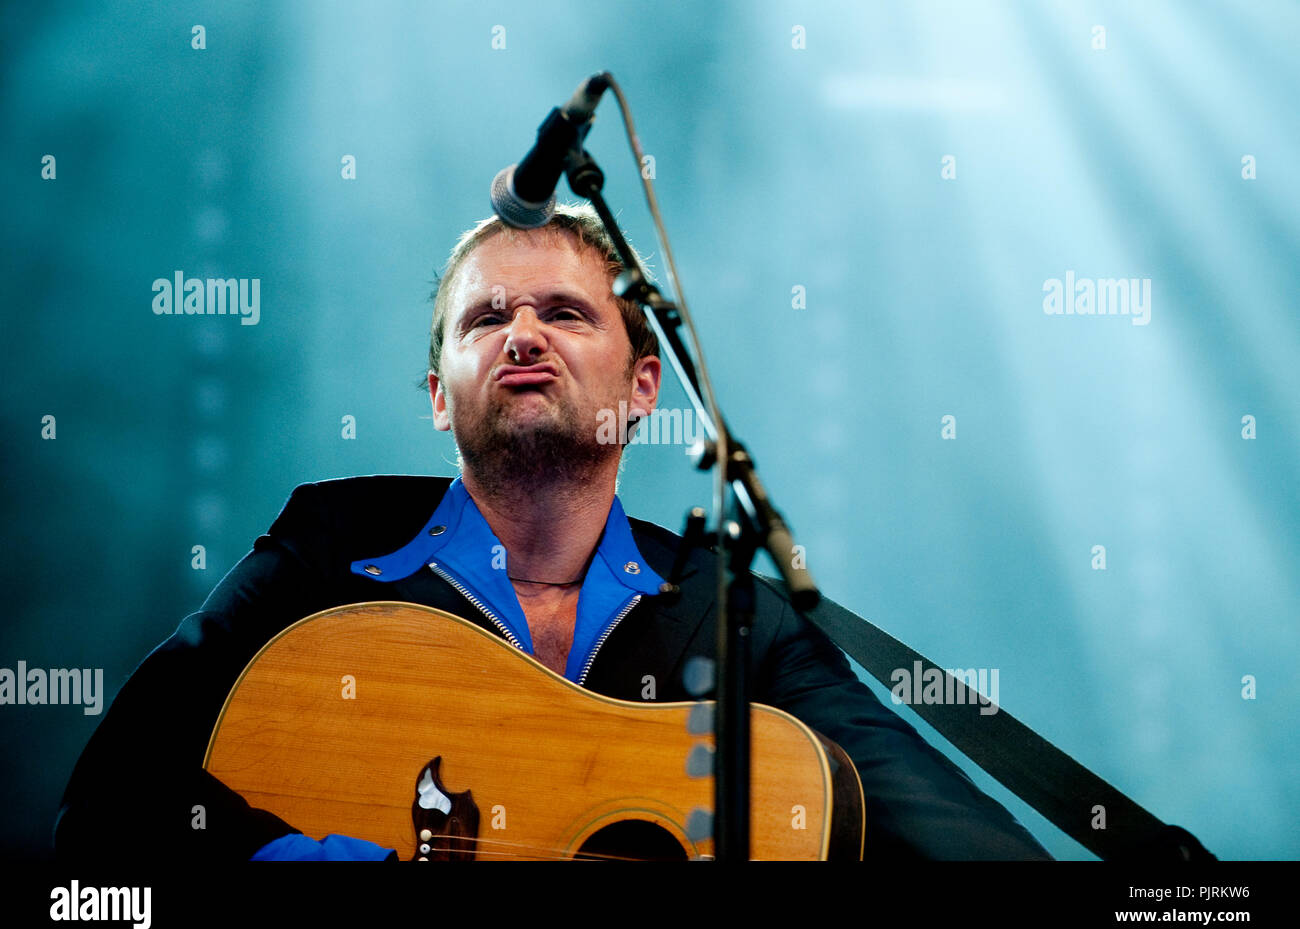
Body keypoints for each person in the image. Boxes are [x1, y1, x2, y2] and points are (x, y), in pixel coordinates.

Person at [54, 203, 1052, 861]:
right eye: (486, 318)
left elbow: (948, 833)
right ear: (441, 396)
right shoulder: (329, 545)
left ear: (643, 387)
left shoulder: (725, 606)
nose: (522, 333)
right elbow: (107, 809)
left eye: (566, 312)